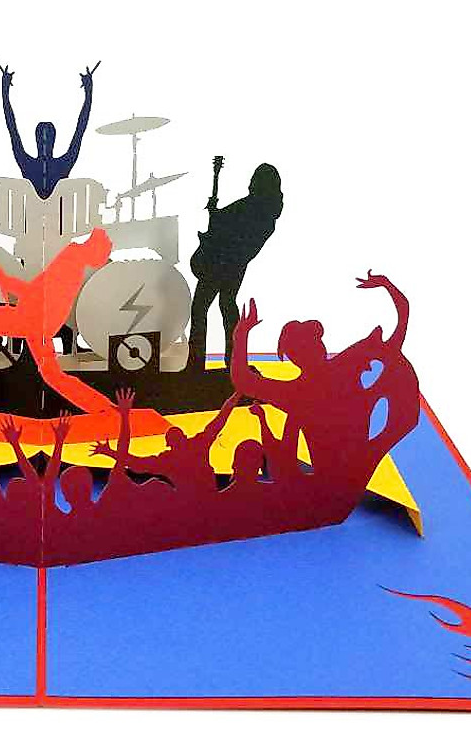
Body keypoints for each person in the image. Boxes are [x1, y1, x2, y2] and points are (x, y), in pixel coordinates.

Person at [227, 273, 420, 480]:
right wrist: (386, 285)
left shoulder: (334, 371)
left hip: (352, 471)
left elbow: (243, 379)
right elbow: (243, 380)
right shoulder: (311, 384)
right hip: (340, 478)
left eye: (316, 341)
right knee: (294, 423)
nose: (318, 346)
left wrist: (242, 334)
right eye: (309, 345)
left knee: (394, 373)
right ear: (297, 356)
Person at [0, 228, 115, 413]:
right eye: (104, 254)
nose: (102, 261)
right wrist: (6, 282)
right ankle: (102, 407)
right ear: (95, 248)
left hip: (31, 321)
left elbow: (33, 293)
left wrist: (6, 282)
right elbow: (36, 291)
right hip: (35, 322)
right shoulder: (71, 261)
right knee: (52, 376)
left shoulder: (70, 261)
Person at [189, 161, 283, 369]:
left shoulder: (250, 207)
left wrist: (214, 212)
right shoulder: (267, 214)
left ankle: (196, 361)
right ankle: (234, 361)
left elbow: (223, 223)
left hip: (219, 264)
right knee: (227, 305)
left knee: (200, 309)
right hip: (235, 266)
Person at [91, 386, 242, 502]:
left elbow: (135, 463)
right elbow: (221, 418)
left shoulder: (183, 451)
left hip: (201, 499)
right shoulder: (190, 447)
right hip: (196, 501)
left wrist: (110, 452)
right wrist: (237, 395)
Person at [0, 60, 99, 198]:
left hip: (38, 211)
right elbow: (80, 129)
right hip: (54, 211)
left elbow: (12, 127)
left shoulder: (27, 163)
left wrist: (5, 90)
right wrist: (88, 92)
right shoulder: (63, 163)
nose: (45, 140)